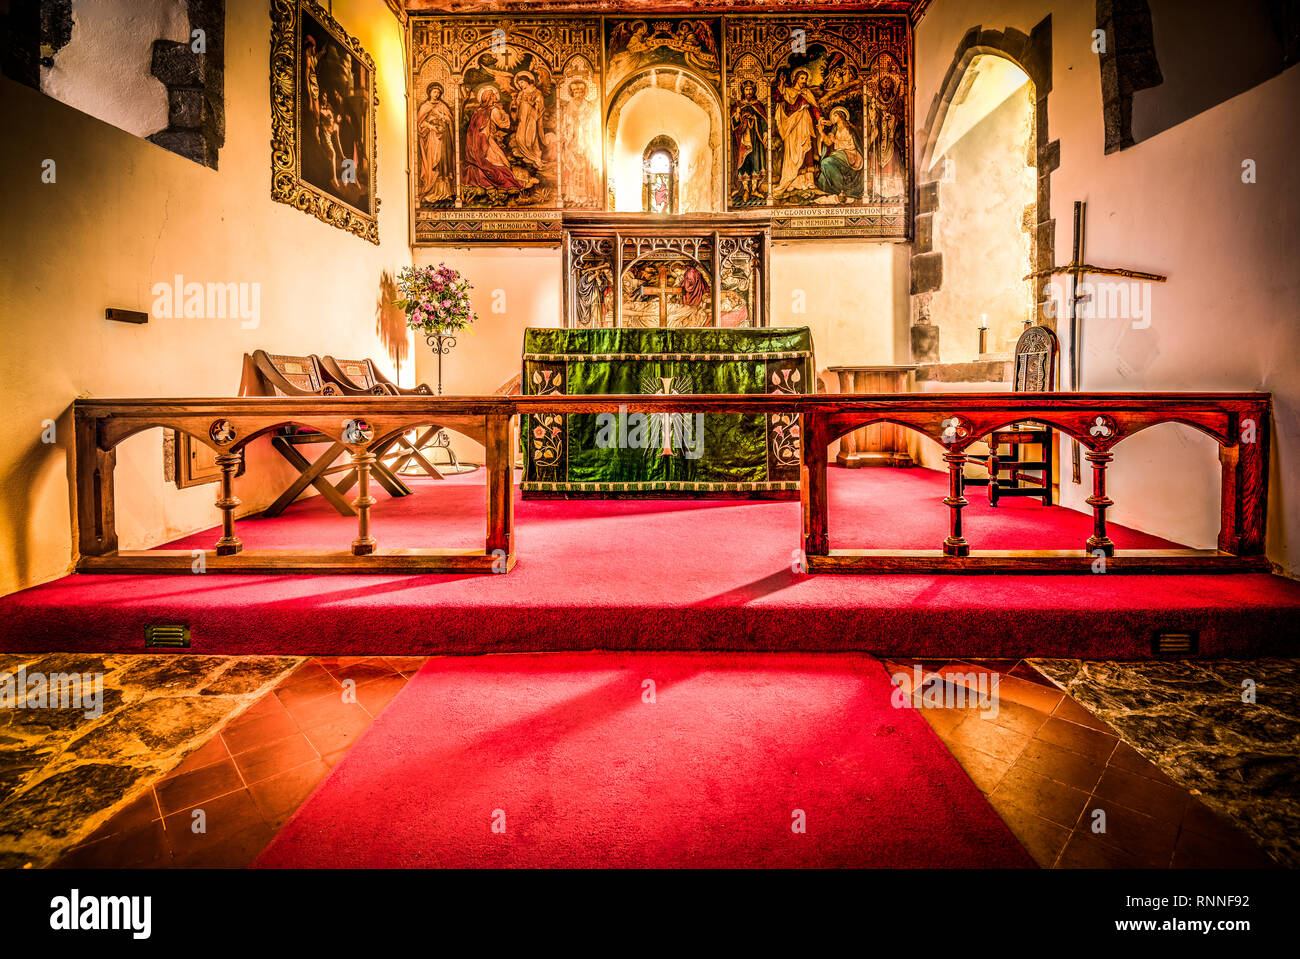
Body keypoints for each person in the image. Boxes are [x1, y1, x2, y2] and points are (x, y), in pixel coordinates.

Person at [463, 87, 523, 192]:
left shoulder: (478, 111)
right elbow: (504, 125)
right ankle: (507, 183)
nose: (496, 96)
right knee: (499, 161)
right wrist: (503, 112)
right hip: (487, 141)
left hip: (476, 142)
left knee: (496, 160)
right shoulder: (494, 110)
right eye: (494, 95)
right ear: (490, 97)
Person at [774, 69, 820, 196]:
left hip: (805, 125)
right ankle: (794, 182)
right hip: (793, 125)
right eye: (802, 78)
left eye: (805, 79)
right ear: (796, 79)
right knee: (793, 153)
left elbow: (815, 108)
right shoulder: (789, 91)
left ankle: (809, 181)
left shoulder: (807, 93)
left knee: (806, 150)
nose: (804, 81)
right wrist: (782, 84)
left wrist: (819, 118)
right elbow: (778, 98)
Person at [815, 106, 864, 202]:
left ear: (841, 116)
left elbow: (851, 145)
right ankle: (839, 190)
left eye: (835, 115)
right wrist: (821, 132)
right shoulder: (835, 129)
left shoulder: (849, 129)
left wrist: (836, 141)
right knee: (822, 179)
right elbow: (828, 142)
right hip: (839, 155)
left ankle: (842, 190)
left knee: (826, 163)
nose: (832, 118)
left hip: (851, 155)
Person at [417, 82, 454, 203]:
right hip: (432, 139)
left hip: (443, 138)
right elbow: (419, 124)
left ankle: (445, 192)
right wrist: (431, 127)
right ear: (429, 93)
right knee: (433, 162)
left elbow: (450, 120)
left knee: (443, 162)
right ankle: (431, 190)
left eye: (438, 92)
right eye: (434, 92)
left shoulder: (443, 106)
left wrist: (443, 118)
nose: (436, 94)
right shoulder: (425, 107)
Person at [731, 80, 767, 203]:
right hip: (743, 139)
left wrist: (765, 133)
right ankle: (746, 189)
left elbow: (764, 121)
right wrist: (737, 117)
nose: (749, 92)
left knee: (756, 162)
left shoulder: (758, 105)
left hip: (756, 139)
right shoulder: (738, 105)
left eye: (751, 89)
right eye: (746, 89)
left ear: (754, 91)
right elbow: (734, 124)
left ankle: (755, 189)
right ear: (743, 91)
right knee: (744, 163)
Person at [510, 71, 546, 168]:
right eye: (519, 83)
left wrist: (532, 103)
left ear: (527, 81)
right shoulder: (521, 93)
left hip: (531, 118)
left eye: (521, 82)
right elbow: (516, 106)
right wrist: (514, 103)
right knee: (519, 138)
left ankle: (535, 158)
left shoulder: (537, 92)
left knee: (530, 140)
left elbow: (541, 106)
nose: (520, 85)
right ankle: (534, 158)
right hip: (522, 119)